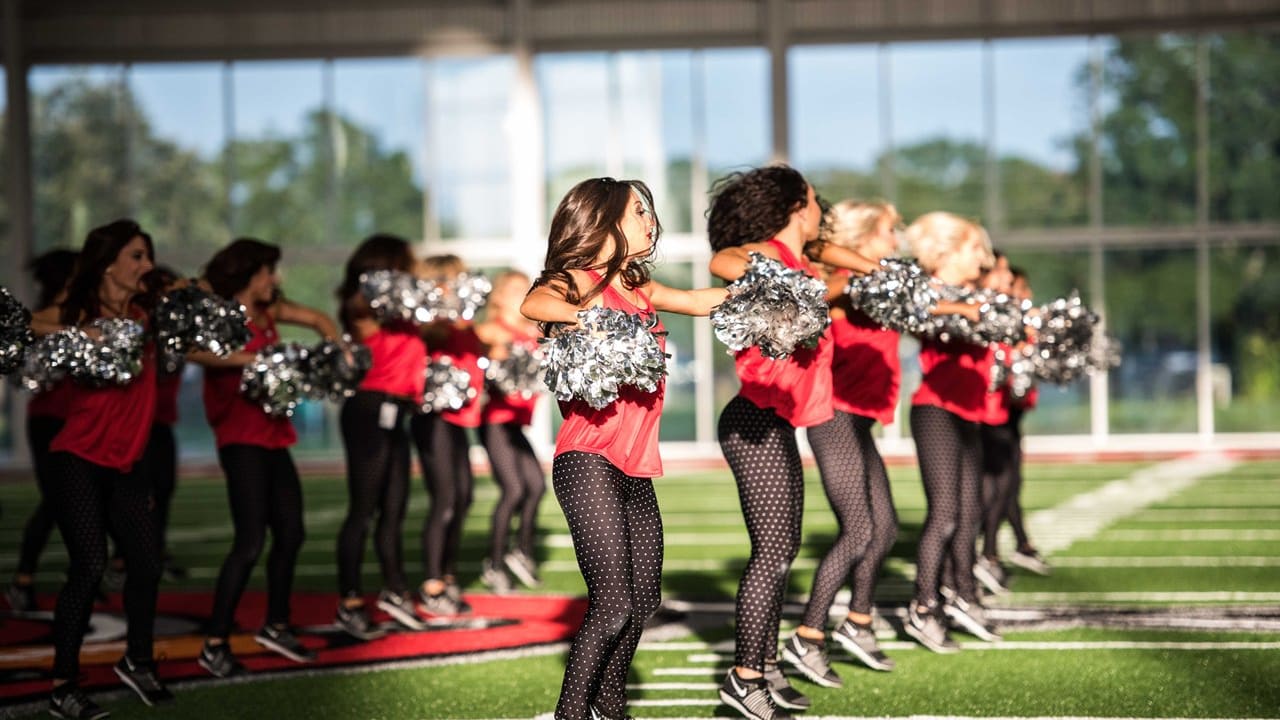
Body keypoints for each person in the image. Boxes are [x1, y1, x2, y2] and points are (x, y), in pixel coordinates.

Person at [521, 177, 725, 720]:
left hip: (634, 467)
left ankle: (610, 707)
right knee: (612, 605)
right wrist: (590, 318)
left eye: (650, 211)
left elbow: (698, 300)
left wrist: (766, 293)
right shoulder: (579, 280)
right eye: (639, 211)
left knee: (644, 601)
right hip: (588, 459)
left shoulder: (640, 287)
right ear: (604, 219)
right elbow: (535, 302)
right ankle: (571, 713)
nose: (650, 220)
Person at [707, 165, 845, 719]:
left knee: (782, 549)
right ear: (795, 207)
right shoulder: (767, 253)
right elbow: (723, 262)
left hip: (777, 422)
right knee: (772, 551)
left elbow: (835, 278)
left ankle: (765, 666)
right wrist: (777, 276)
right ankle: (744, 679)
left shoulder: (805, 264)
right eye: (814, 201)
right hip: (753, 418)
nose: (821, 210)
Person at [34, 219, 171, 719]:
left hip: (128, 462)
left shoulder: (148, 313)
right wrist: (83, 333)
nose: (147, 265)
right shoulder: (78, 310)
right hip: (78, 458)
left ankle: (137, 660)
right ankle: (62, 686)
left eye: (148, 255)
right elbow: (27, 324)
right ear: (109, 264)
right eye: (137, 256)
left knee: (146, 565)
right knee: (89, 567)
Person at [194, 238, 335, 677]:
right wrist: (255, 359)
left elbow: (319, 319)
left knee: (291, 533)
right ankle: (215, 641)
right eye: (268, 271)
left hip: (275, 437)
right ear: (249, 274)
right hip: (240, 438)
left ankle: (276, 624)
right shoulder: (222, 314)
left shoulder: (269, 310)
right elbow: (194, 351)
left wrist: (335, 353)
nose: (275, 278)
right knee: (250, 541)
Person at [781, 201, 904, 686]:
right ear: (864, 235)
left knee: (885, 527)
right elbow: (818, 295)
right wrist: (857, 280)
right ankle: (808, 635)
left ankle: (858, 621)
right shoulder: (839, 282)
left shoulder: (882, 281)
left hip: (859, 421)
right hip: (834, 416)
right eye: (889, 231)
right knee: (858, 530)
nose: (895, 240)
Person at [903, 212, 1001, 653]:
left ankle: (963, 592)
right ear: (951, 250)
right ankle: (923, 606)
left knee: (969, 511)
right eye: (975, 248)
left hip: (967, 412)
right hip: (935, 411)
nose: (983, 259)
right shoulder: (929, 291)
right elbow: (916, 314)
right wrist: (964, 308)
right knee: (944, 513)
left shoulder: (976, 294)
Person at [334, 234, 426, 637]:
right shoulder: (363, 303)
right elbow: (362, 305)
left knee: (394, 508)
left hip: (397, 413)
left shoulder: (406, 307)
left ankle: (395, 590)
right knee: (363, 508)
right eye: (407, 262)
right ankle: (350, 600)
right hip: (369, 411)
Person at [413, 254, 486, 616]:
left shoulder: (462, 319)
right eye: (451, 280)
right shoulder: (426, 318)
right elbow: (428, 336)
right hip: (433, 415)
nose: (458, 287)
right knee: (445, 499)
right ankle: (432, 583)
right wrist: (447, 311)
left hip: (457, 417)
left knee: (464, 496)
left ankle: (447, 573)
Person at [7, 249, 78, 613]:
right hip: (50, 420)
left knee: (82, 499)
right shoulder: (44, 318)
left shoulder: (81, 314)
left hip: (79, 421)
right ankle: (23, 579)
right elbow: (28, 377)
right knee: (56, 500)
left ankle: (83, 574)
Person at [475, 270, 547, 592]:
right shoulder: (493, 329)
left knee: (537, 486)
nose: (523, 293)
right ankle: (493, 563)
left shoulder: (531, 330)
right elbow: (481, 347)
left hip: (516, 424)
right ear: (500, 295)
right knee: (514, 490)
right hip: (495, 422)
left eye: (526, 288)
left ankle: (522, 551)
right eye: (516, 288)